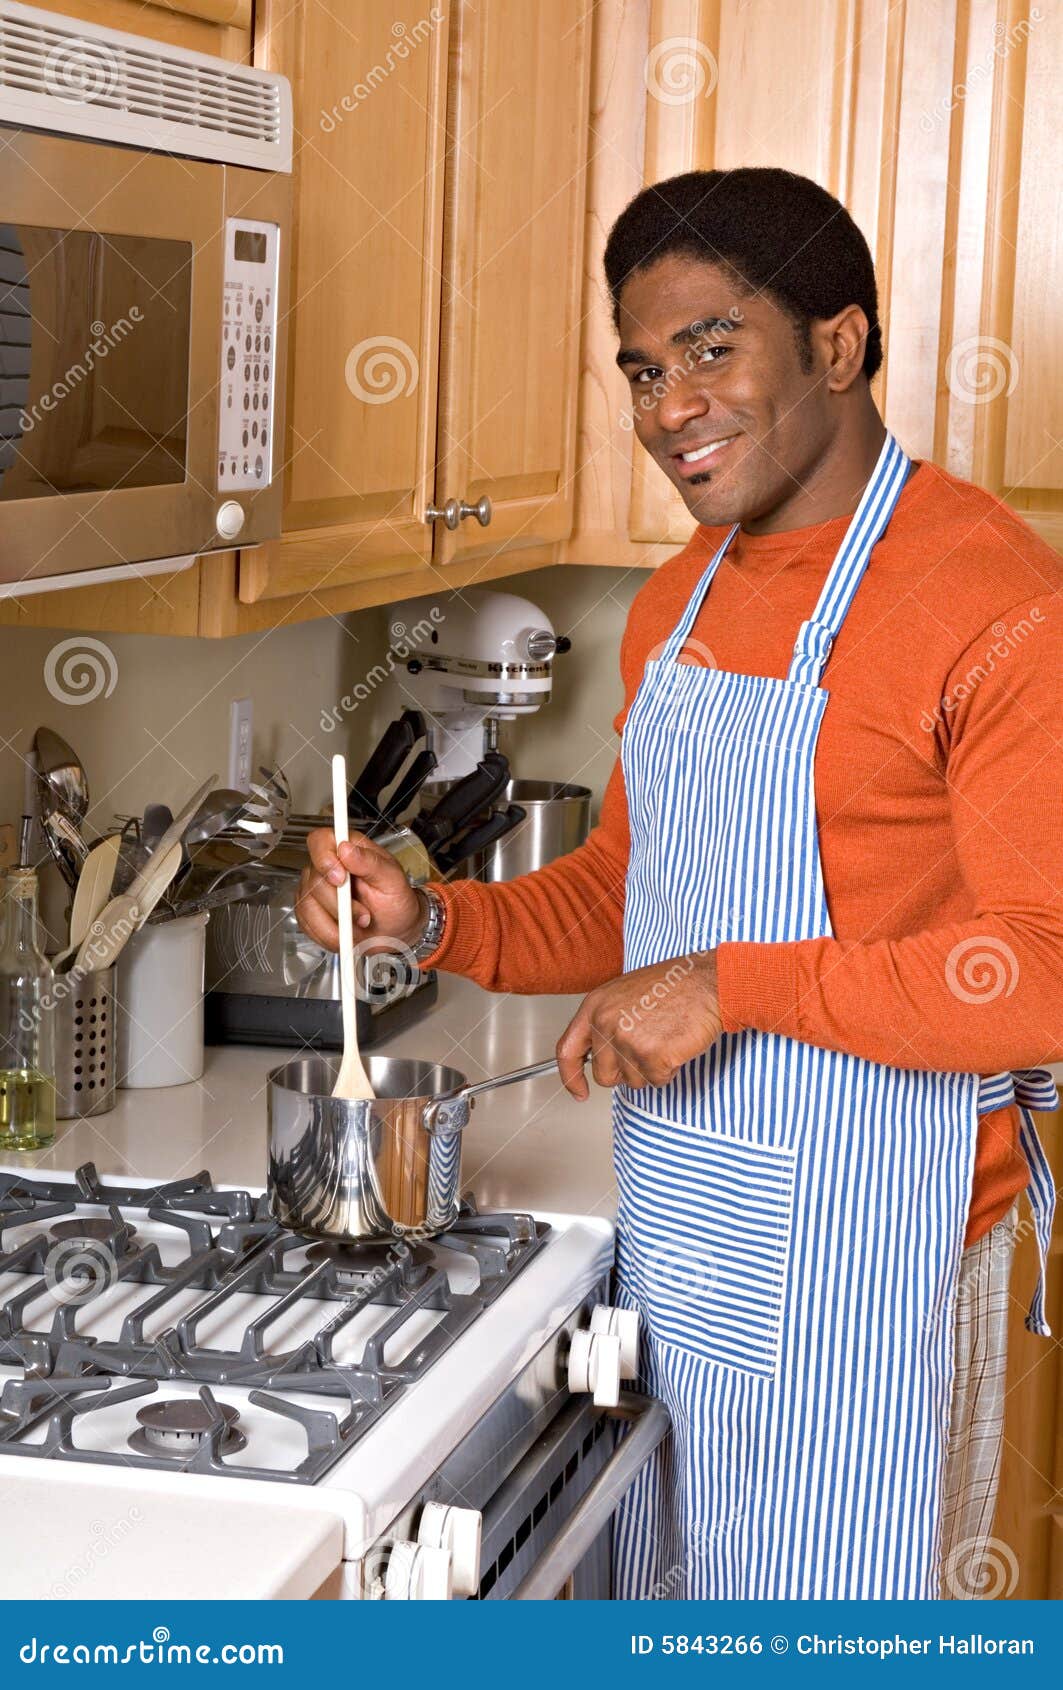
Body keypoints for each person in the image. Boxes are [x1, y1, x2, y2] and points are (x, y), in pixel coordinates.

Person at [297, 167, 1061, 1601]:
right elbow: (626, 896)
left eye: (714, 346)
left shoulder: (995, 602)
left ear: (838, 345)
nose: (668, 406)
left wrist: (730, 984)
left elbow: (1041, 972)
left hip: (882, 1262)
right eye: (644, 368)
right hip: (687, 1229)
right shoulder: (682, 597)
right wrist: (434, 916)